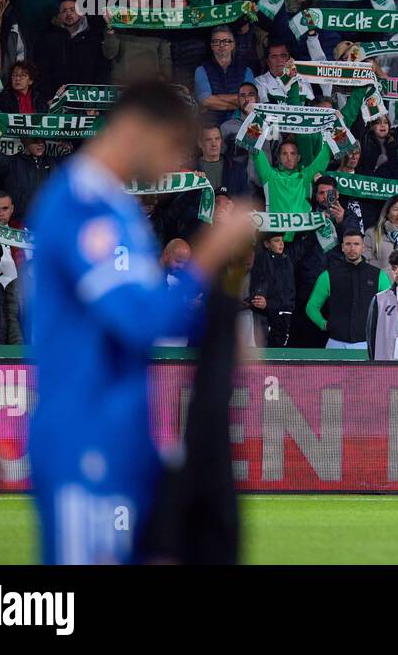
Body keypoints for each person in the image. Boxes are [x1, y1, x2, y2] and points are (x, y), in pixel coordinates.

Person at [26, 82, 254, 564]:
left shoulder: (119, 209)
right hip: (82, 438)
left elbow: (155, 311)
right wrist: (212, 251)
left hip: (127, 439)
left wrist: (216, 326)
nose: (176, 159)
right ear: (136, 128)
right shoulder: (78, 203)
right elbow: (142, 321)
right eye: (172, 143)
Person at [307, 229, 391, 351]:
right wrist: (323, 324)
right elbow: (311, 307)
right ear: (342, 247)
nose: (352, 248)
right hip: (336, 342)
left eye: (356, 244)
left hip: (367, 343)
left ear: (363, 247)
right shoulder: (329, 275)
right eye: (348, 244)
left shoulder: (378, 275)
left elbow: (390, 308)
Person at [248, 233, 296, 348]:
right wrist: (265, 303)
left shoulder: (288, 258)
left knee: (280, 358)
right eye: (276, 240)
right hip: (266, 317)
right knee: (265, 357)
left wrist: (318, 221)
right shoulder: (261, 259)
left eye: (282, 240)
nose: (281, 243)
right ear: (266, 244)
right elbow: (257, 289)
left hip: (285, 317)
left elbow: (305, 245)